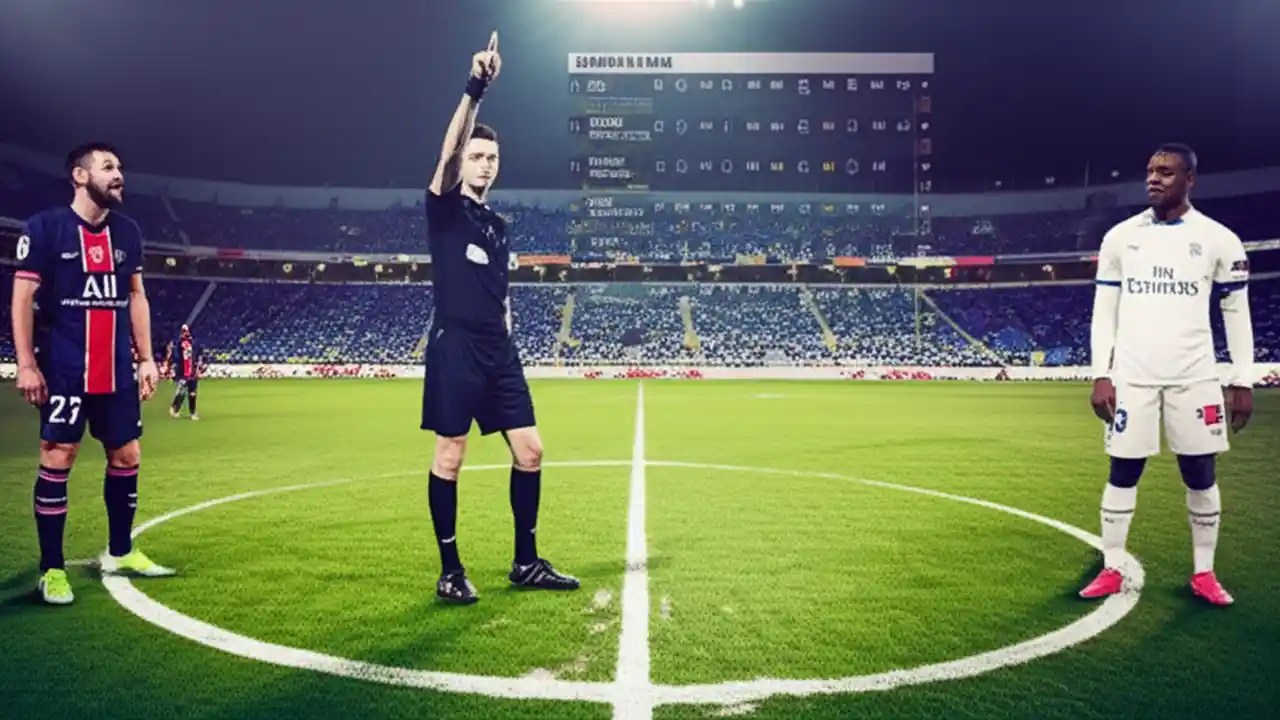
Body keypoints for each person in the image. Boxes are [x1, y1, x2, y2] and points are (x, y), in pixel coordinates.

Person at [420, 32, 579, 604]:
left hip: (497, 348)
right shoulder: (444, 208)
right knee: (451, 454)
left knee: (531, 451)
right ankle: (450, 568)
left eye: (492, 158)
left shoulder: (500, 226)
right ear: (463, 161)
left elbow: (502, 291)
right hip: (455, 345)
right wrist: (475, 91)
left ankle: (526, 562)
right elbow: (444, 154)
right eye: (477, 155)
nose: (485, 163)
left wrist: (508, 337)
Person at [1081, 143, 1253, 606]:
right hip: (1133, 375)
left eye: (1166, 172)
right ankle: (1112, 566)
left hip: (1194, 375)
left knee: (1199, 472)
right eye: (1151, 171)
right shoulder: (1120, 238)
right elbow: (1104, 311)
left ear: (1190, 179)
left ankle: (1203, 573)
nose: (1154, 179)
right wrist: (1102, 373)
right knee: (1123, 469)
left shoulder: (1219, 239)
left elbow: (1236, 311)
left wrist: (1242, 379)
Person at [11, 142, 175, 606]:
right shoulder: (46, 229)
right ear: (80, 177)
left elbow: (137, 297)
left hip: (116, 371)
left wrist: (145, 358)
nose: (119, 174)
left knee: (127, 456)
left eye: (120, 166)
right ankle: (51, 569)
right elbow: (23, 299)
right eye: (108, 167)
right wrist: (26, 364)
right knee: (58, 456)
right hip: (64, 368)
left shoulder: (128, 232)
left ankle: (120, 551)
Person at [166, 324, 202, 420]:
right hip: (183, 372)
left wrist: (199, 368)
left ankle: (192, 412)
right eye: (184, 331)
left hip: (193, 372)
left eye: (186, 331)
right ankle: (176, 408)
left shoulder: (194, 343)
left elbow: (198, 355)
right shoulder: (178, 343)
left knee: (192, 393)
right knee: (181, 392)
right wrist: (173, 368)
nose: (185, 333)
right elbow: (175, 357)